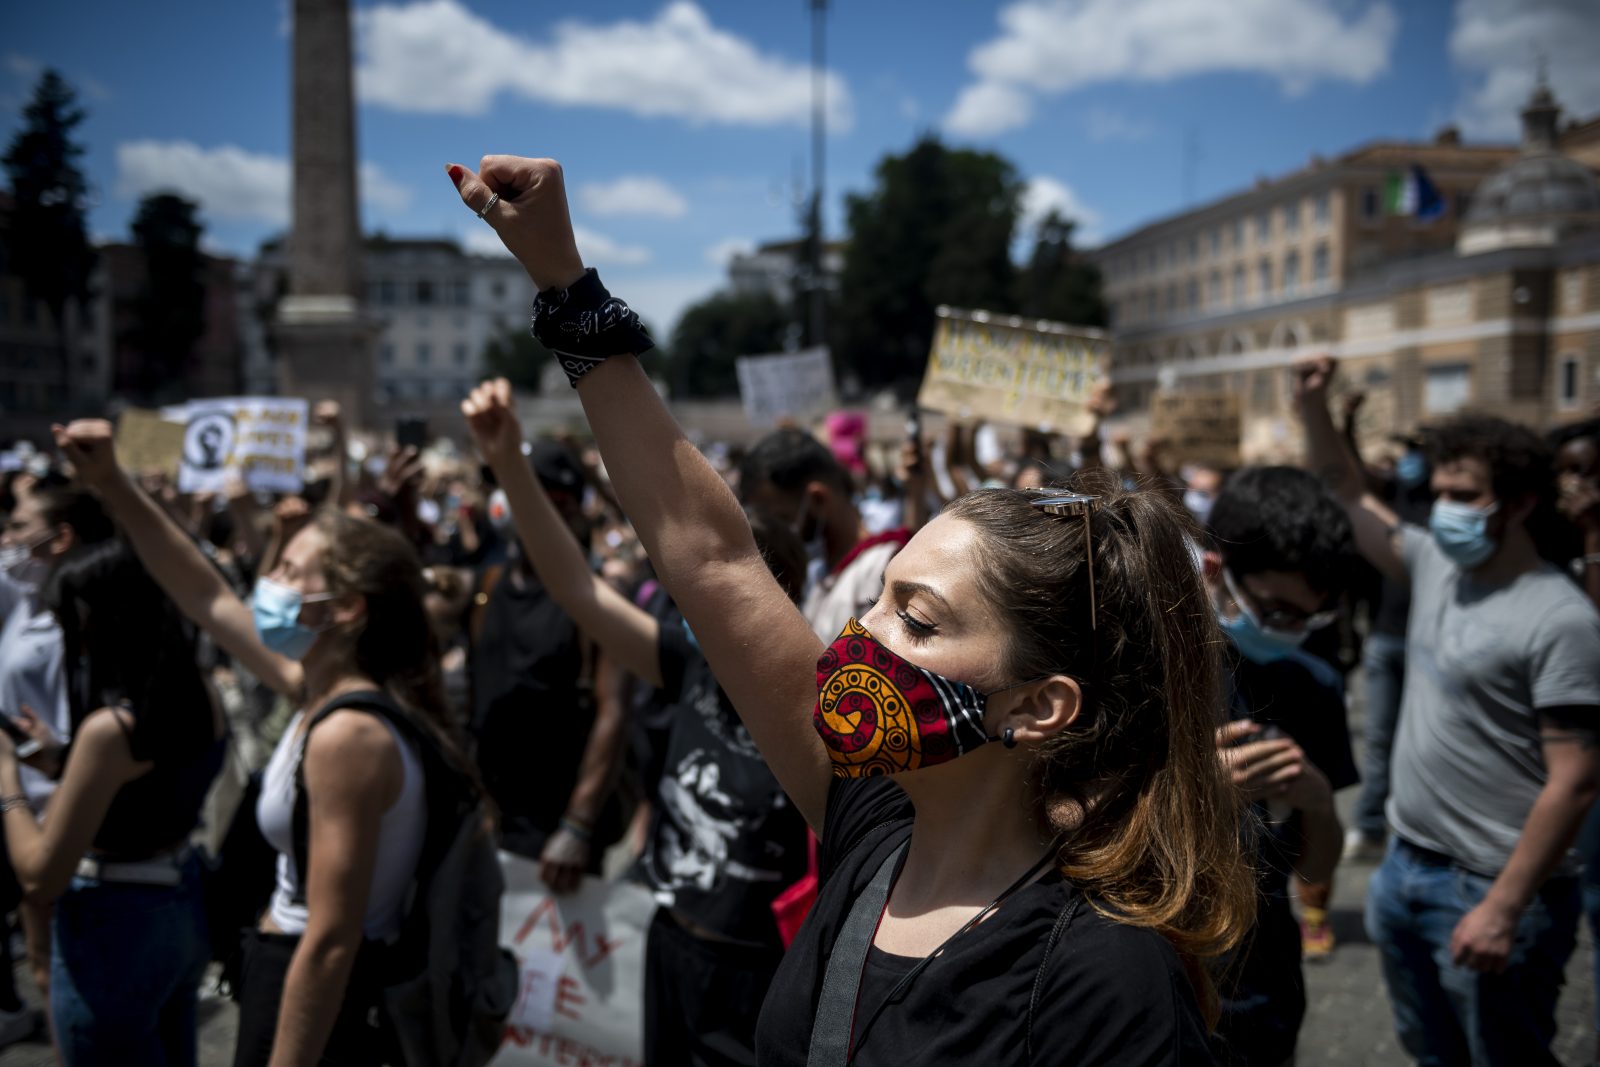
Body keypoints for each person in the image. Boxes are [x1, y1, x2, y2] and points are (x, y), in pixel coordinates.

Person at [447, 154, 1254, 1063]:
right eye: (878, 598)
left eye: (920, 620)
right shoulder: (869, 819)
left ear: (1038, 703)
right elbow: (710, 556)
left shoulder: (1107, 978)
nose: (860, 635)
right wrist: (563, 282)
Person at [53, 419, 461, 1067]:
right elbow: (203, 591)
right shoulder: (319, 689)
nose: (270, 581)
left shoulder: (349, 734)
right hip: (287, 969)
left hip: (320, 992)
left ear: (343, 607)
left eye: (293, 569)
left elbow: (331, 937)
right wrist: (111, 482)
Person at [464, 378, 811, 1066]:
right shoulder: (689, 661)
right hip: (668, 944)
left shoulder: (824, 707)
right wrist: (507, 463)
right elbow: (578, 587)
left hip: (758, 971)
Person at [1297, 356, 1600, 1067]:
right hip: (1405, 870)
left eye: (1464, 495)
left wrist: (1502, 907)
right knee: (1431, 1050)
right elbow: (1344, 488)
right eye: (1438, 493)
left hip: (1490, 889)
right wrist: (1311, 403)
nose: (1443, 511)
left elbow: (1577, 779)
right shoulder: (1437, 563)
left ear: (1521, 502)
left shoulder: (1560, 619)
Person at [0, 535, 225, 1066]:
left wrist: (7, 776)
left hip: (115, 926)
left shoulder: (110, 732)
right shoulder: (198, 694)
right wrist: (63, 762)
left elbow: (39, 875)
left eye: (74, 623)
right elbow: (149, 780)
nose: (71, 644)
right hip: (180, 905)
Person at [1203, 466, 1358, 1066]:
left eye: (1309, 617)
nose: (1292, 630)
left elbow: (1315, 866)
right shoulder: (1139, 665)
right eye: (1277, 610)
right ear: (1216, 572)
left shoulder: (1311, 685)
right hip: (1143, 959)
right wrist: (1186, 792)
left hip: (1256, 984)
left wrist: (1318, 800)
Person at [467, 438, 631, 882]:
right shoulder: (488, 584)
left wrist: (577, 825)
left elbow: (612, 713)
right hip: (491, 820)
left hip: (557, 834)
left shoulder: (597, 602)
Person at [0, 477, 118, 1050]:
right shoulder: (23, 595)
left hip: (65, 804)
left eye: (21, 526)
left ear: (61, 537)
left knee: (77, 970)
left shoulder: (93, 612)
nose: (8, 537)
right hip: (25, 800)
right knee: (45, 963)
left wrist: (58, 750)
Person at [738, 428, 911, 641]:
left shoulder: (884, 569)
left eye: (781, 519)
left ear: (818, 500)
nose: (774, 534)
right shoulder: (818, 573)